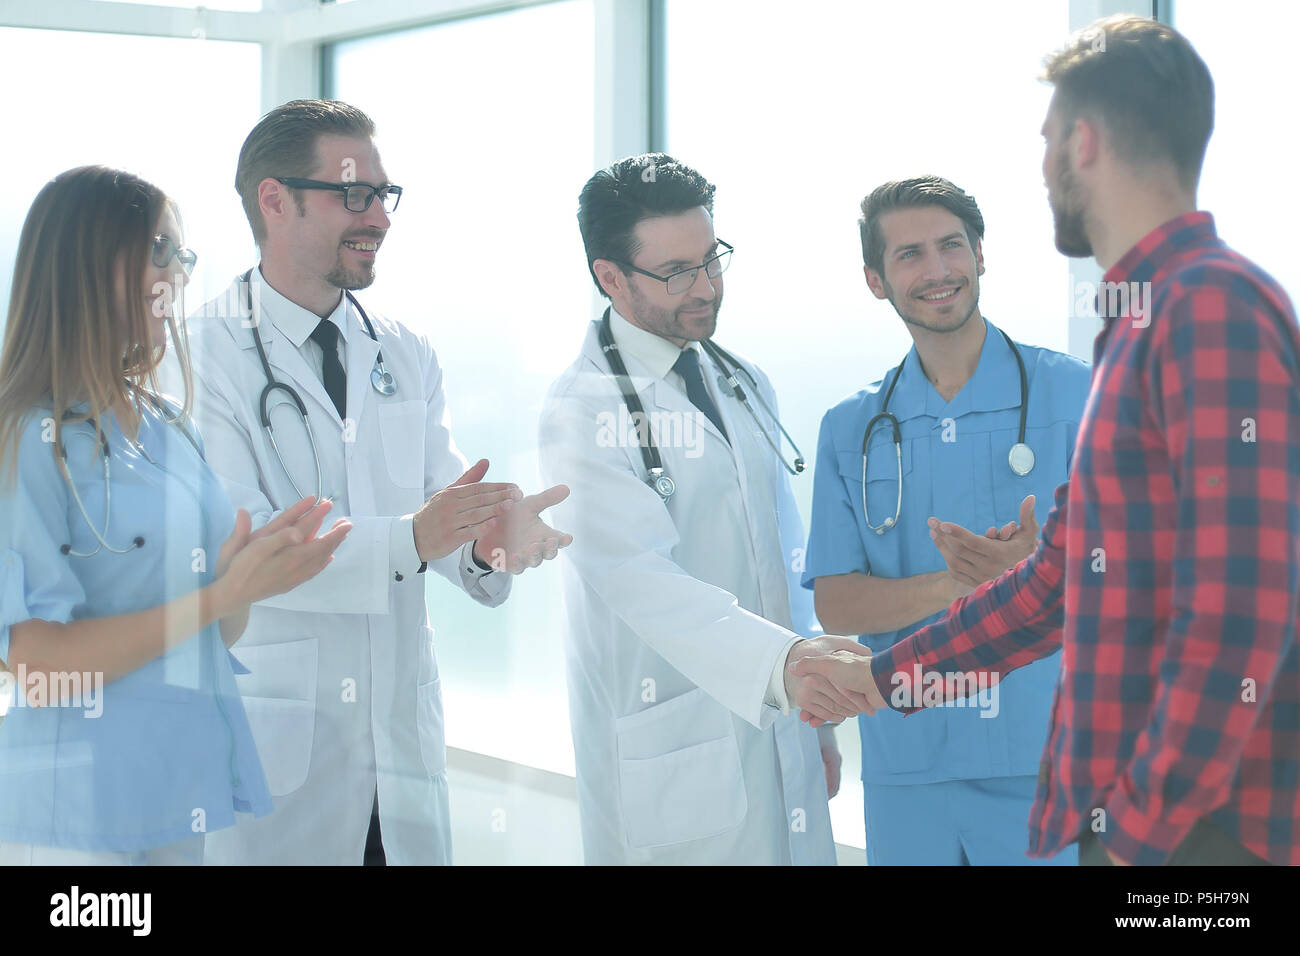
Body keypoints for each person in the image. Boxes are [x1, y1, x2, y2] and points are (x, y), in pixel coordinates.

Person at [794, 15, 1299, 866]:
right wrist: (883, 681)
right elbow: (1060, 583)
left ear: (1083, 141)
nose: (1041, 169)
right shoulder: (1139, 325)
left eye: (1044, 141)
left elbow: (1240, 612)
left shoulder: (1207, 307)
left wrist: (1134, 834)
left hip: (1210, 839)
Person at [186, 100, 570, 866]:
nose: (379, 218)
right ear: (274, 200)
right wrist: (416, 537)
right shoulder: (202, 351)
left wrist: (489, 542)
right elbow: (250, 550)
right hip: (280, 762)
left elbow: (438, 508)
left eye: (383, 196)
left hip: (398, 757)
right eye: (354, 194)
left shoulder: (403, 348)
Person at [0, 166, 349, 864]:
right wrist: (219, 594)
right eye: (162, 250)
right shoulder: (30, 440)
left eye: (183, 255)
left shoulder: (165, 427)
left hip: (178, 790)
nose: (180, 274)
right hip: (73, 817)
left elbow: (217, 629)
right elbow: (35, 665)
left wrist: (245, 579)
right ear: (88, 264)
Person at [538, 153, 871, 866]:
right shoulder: (582, 411)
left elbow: (783, 552)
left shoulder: (741, 379)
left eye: (711, 258)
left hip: (780, 716)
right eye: (677, 272)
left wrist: (810, 711)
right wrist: (787, 663)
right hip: (674, 750)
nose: (707, 287)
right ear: (611, 277)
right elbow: (639, 580)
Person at [802, 176, 1090, 865]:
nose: (936, 271)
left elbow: (1146, 571)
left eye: (950, 246)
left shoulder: (1077, 393)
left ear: (981, 256)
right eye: (908, 255)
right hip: (909, 766)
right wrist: (955, 587)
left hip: (1046, 758)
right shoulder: (851, 427)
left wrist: (1041, 568)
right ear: (876, 279)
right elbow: (835, 598)